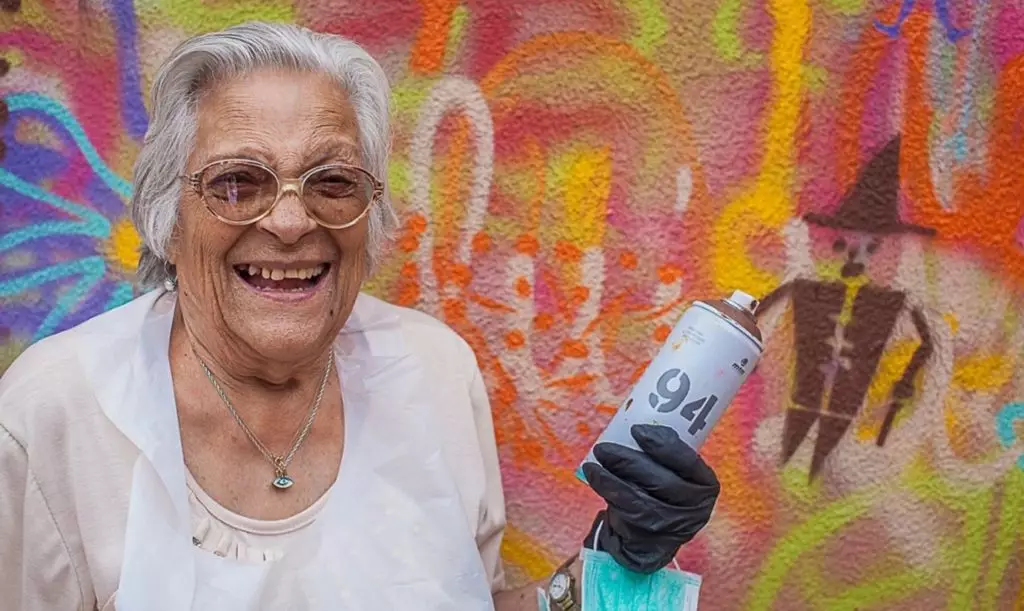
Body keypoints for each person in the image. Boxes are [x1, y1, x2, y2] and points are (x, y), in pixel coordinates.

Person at [0, 22, 720, 610]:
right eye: (237, 183)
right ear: (167, 219)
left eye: (332, 182)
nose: (289, 220)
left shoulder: (434, 371)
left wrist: (616, 561)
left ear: (368, 214)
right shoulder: (57, 414)